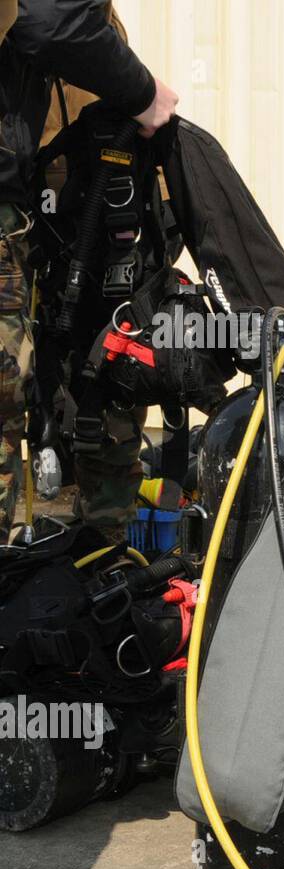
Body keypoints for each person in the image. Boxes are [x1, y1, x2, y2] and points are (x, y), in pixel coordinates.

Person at [0, 0, 179, 541]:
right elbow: (51, 22)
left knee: (104, 362)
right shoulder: (59, 21)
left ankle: (102, 562)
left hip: (77, 208)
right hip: (29, 200)